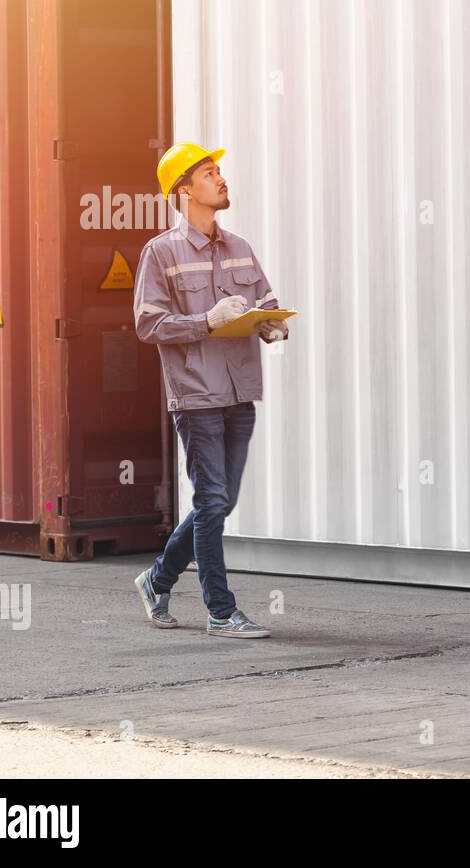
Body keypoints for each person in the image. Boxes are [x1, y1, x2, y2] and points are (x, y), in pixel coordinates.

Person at [130, 142, 289, 639]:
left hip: (239, 390)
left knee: (217, 501)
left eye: (220, 171)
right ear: (183, 190)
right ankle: (221, 610)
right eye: (209, 173)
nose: (221, 179)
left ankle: (157, 579)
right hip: (196, 393)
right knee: (213, 498)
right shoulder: (161, 253)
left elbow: (266, 298)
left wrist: (271, 323)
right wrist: (204, 320)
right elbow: (148, 324)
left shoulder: (240, 246)